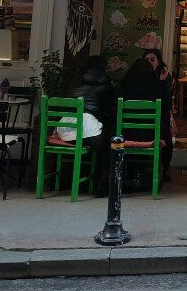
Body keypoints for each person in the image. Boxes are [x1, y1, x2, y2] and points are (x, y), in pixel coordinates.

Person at [121, 49, 174, 183]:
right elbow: (167, 106)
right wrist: (162, 84)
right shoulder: (157, 86)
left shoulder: (125, 86)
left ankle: (132, 172)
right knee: (166, 132)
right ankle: (164, 170)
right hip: (151, 135)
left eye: (153, 60)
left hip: (126, 134)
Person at [69, 54, 117, 197]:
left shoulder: (75, 81)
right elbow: (110, 108)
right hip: (87, 131)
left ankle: (65, 181)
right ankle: (102, 185)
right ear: (103, 68)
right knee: (111, 143)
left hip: (65, 131)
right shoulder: (105, 86)